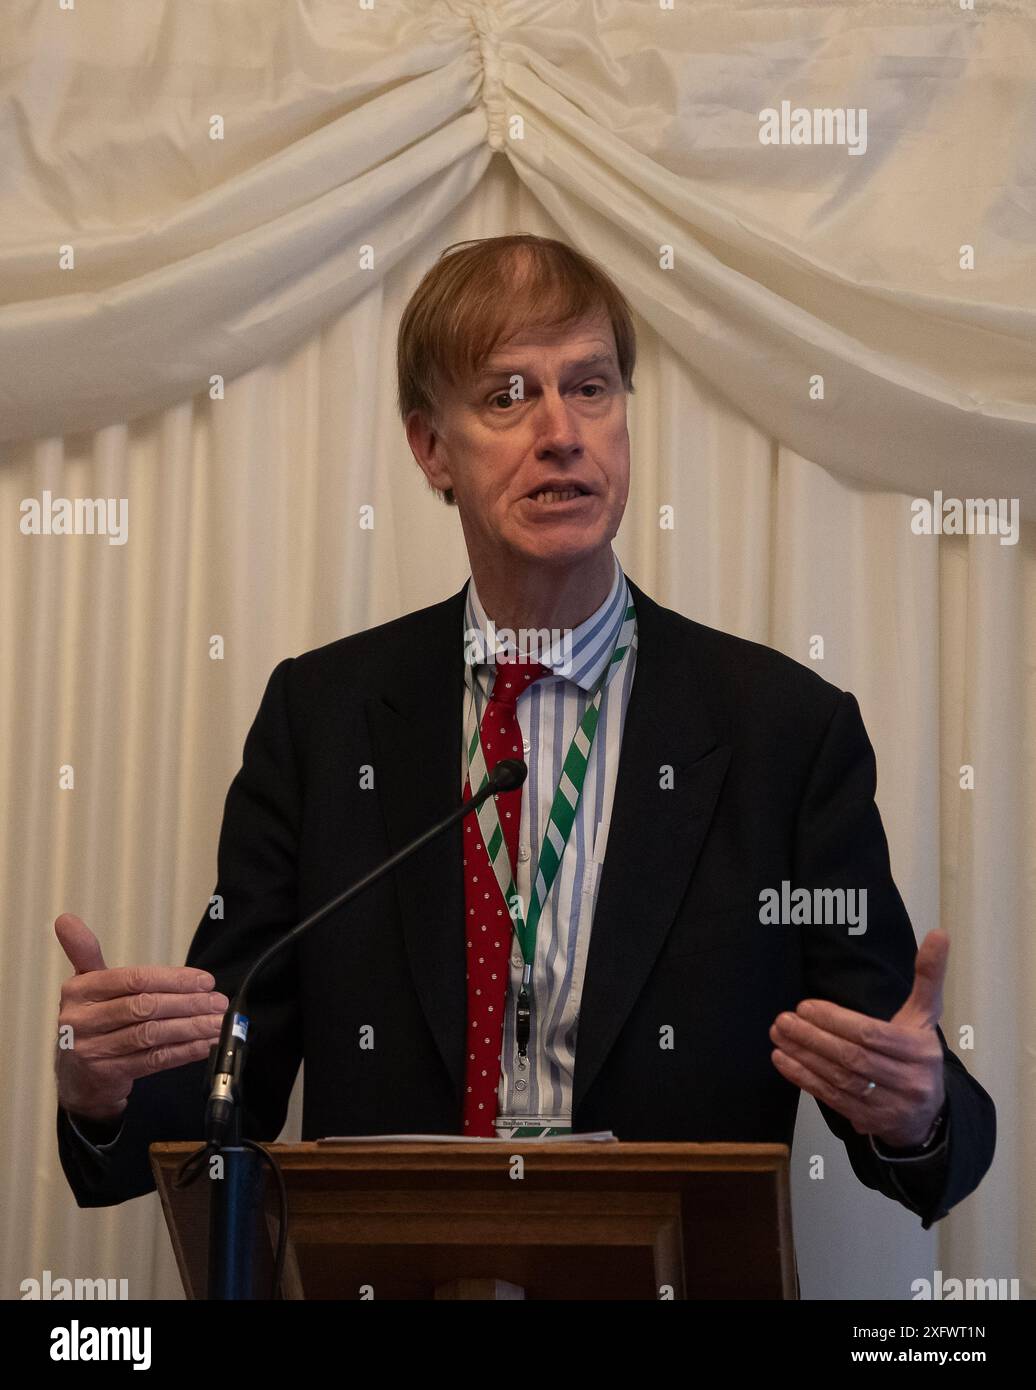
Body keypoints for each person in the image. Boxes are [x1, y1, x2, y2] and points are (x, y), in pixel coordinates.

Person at [55, 235, 995, 1232]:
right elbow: (226, 1074)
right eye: (507, 395)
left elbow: (901, 1083)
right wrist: (108, 1089)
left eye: (590, 388)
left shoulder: (784, 735)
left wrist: (918, 1112)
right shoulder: (321, 721)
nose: (561, 431)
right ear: (430, 447)